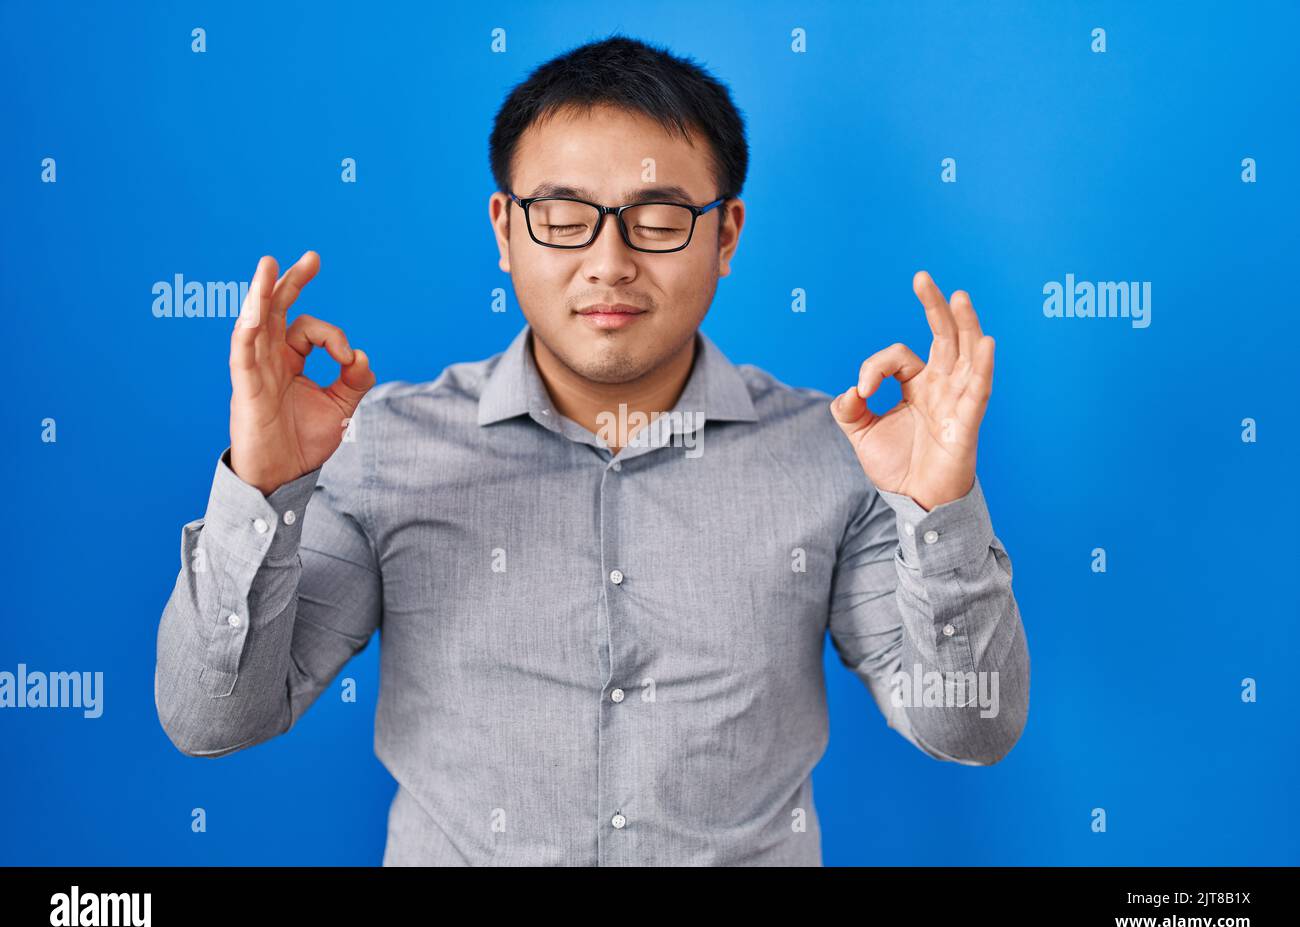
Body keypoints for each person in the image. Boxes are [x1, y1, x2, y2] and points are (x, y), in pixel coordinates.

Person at [154, 33, 1029, 866]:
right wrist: (264, 488)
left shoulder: (835, 453)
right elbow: (212, 719)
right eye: (564, 216)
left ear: (726, 236)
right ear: (505, 230)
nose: (608, 263)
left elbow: (970, 730)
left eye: (658, 219)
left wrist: (937, 510)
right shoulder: (387, 443)